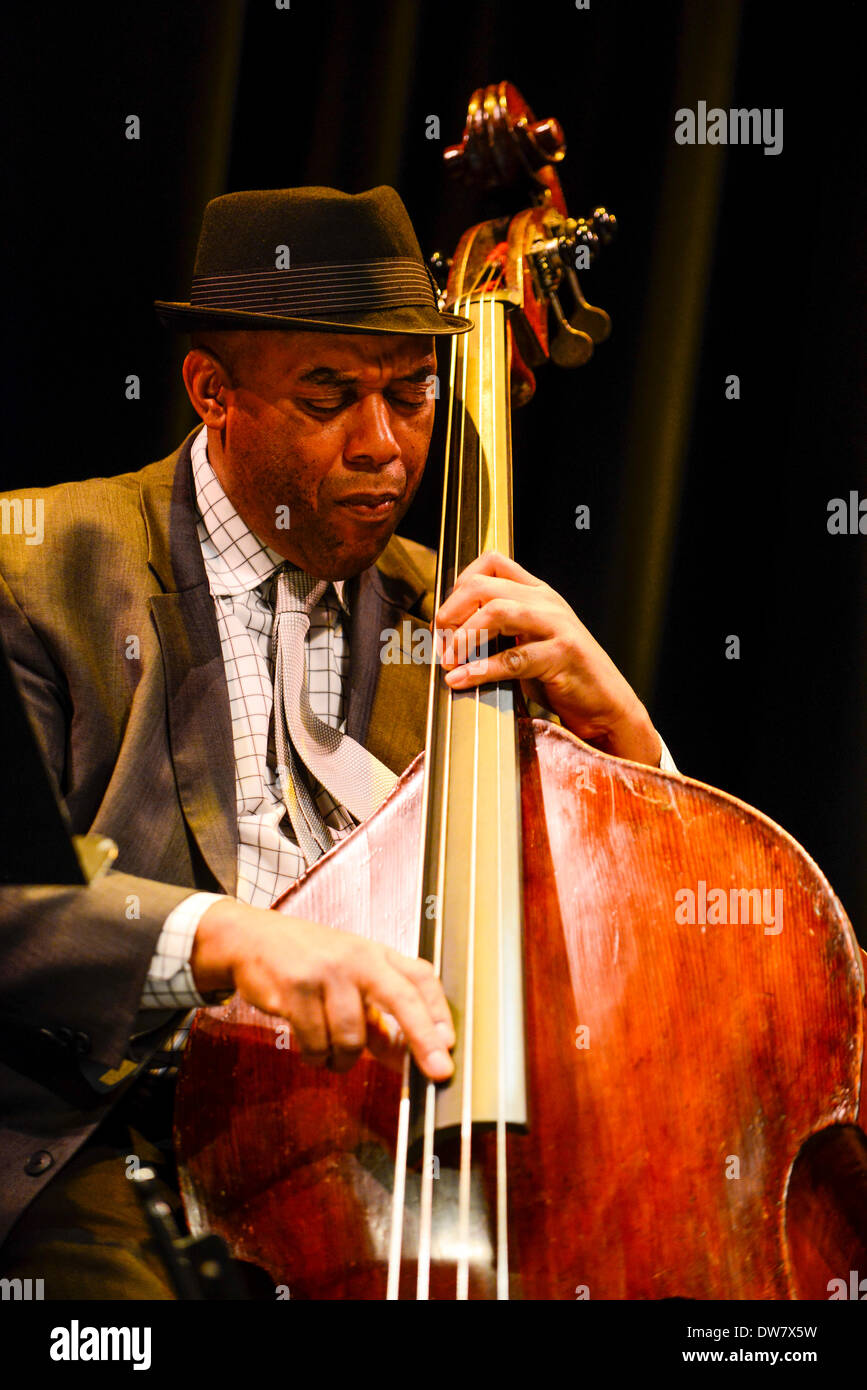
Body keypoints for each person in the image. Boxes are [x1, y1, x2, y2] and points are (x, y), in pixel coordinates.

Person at [0, 185, 675, 1298]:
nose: (385, 446)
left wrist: (630, 736)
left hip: (371, 1150)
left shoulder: (458, 611)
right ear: (212, 391)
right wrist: (228, 939)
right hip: (110, 1148)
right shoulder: (45, 567)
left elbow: (630, 932)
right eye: (331, 397)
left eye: (413, 394)